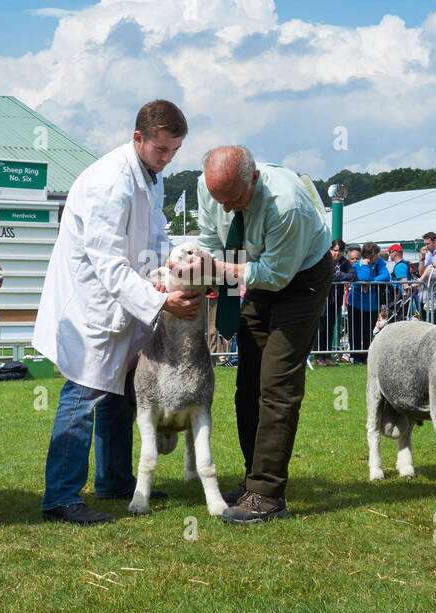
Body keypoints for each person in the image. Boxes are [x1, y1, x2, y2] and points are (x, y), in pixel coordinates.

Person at [33, 100, 199, 525]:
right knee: (83, 395)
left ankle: (114, 479)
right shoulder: (110, 182)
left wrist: (171, 267)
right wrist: (161, 301)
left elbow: (155, 233)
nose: (168, 159)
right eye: (162, 150)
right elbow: (107, 263)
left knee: (120, 393)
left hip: (124, 302)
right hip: (93, 305)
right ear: (138, 138)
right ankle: (60, 495)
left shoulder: (150, 175)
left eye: (175, 151)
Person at [189, 145, 332, 524]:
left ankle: (268, 494)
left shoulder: (288, 205)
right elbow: (209, 239)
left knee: (277, 383)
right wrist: (196, 273)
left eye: (234, 198)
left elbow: (274, 276)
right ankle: (253, 482)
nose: (226, 208)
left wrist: (217, 267)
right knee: (247, 383)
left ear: (253, 178)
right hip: (246, 269)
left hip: (299, 278)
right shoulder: (211, 188)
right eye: (218, 198)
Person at [347, 242, 390, 362]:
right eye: (376, 254)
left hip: (372, 304)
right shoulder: (358, 265)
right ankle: (355, 356)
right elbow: (363, 278)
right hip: (356, 303)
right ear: (370, 255)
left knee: (368, 331)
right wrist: (365, 266)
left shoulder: (379, 262)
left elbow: (386, 276)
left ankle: (366, 356)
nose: (378, 256)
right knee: (355, 330)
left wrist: (371, 281)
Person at [316, 239, 352, 365]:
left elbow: (352, 276)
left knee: (330, 327)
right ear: (330, 250)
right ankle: (319, 357)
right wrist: (337, 275)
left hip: (335, 299)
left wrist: (337, 275)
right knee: (321, 328)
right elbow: (324, 275)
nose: (337, 253)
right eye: (335, 250)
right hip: (322, 299)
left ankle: (328, 356)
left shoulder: (344, 262)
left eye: (340, 251)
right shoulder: (323, 259)